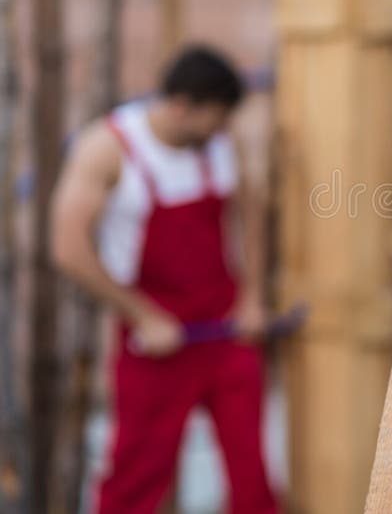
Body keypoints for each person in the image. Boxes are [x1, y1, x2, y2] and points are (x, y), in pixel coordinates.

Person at [51, 45, 278, 513]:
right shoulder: (107, 149)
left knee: (252, 480)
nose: (221, 128)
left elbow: (251, 210)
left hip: (225, 329)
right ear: (182, 106)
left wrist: (252, 297)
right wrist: (142, 315)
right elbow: (67, 248)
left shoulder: (221, 137)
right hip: (153, 342)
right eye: (215, 118)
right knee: (134, 480)